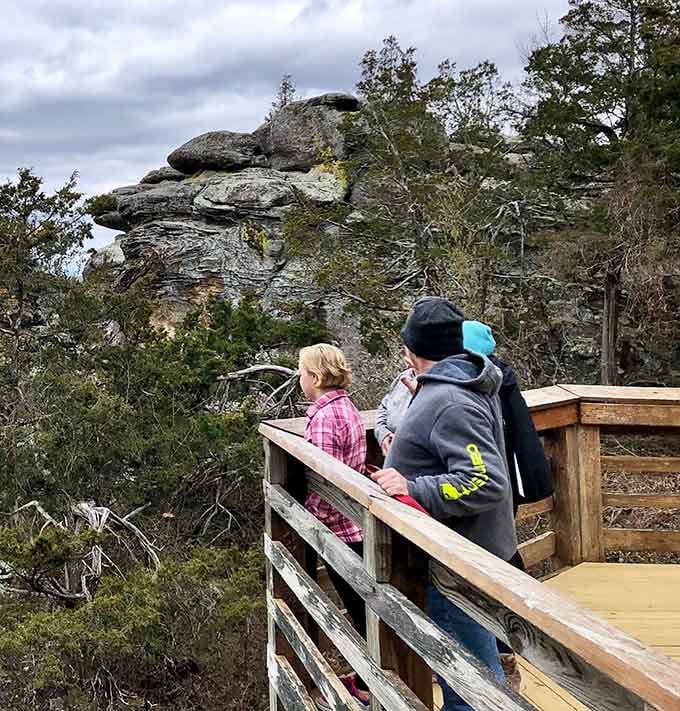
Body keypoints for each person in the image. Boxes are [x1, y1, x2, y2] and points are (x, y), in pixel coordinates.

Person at [370, 298, 516, 711]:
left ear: (415, 351)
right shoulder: (462, 383)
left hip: (455, 561)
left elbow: (484, 482)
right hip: (467, 550)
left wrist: (414, 488)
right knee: (477, 668)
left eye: (406, 347)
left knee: (466, 685)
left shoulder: (450, 401)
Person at [298, 344, 369, 709]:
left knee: (358, 612)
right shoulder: (347, 407)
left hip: (339, 527)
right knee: (363, 609)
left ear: (315, 376)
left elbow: (325, 481)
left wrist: (306, 518)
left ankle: (371, 685)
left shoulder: (325, 417)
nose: (299, 378)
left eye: (302, 372)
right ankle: (367, 678)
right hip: (355, 524)